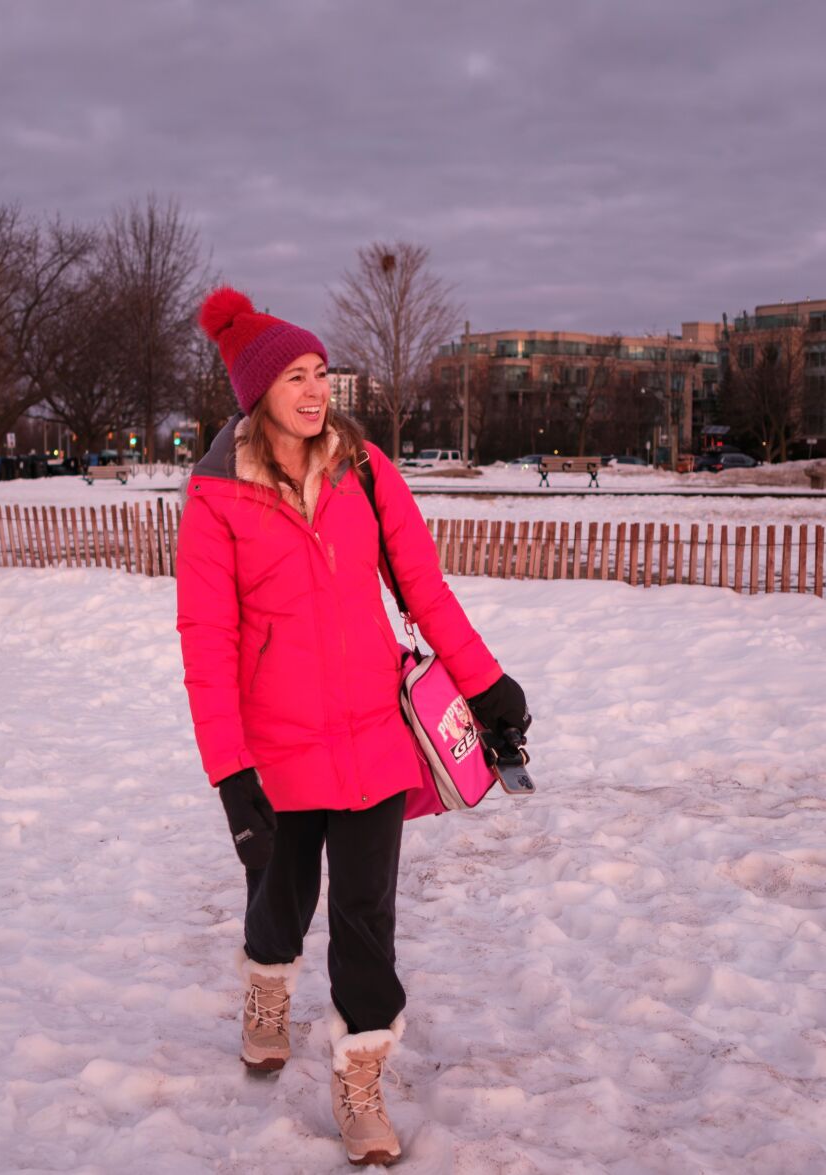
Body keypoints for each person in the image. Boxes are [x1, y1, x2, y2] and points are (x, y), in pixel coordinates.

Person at [175, 287, 530, 1166]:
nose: (314, 390)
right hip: (277, 747)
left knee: (366, 918)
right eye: (295, 376)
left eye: (321, 372)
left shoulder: (362, 467)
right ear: (256, 392)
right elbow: (205, 641)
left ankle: (360, 1073)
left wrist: (486, 686)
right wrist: (230, 772)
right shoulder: (216, 497)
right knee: (282, 902)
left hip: (373, 735)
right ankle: (265, 988)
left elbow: (422, 586)